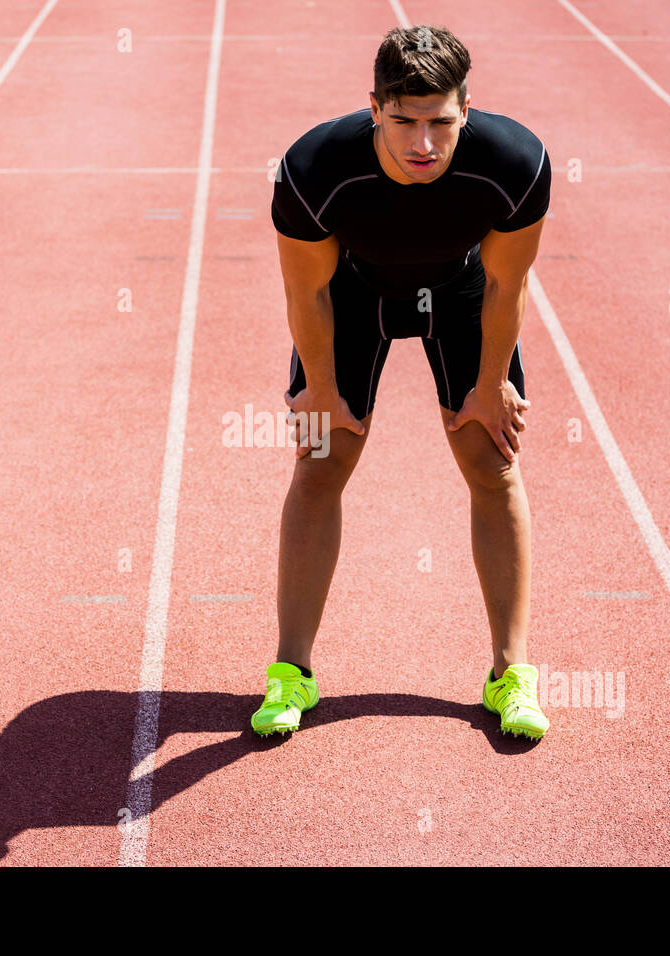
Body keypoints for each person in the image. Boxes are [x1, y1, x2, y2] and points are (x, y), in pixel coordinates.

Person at [252, 24, 551, 740]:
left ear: (467, 109)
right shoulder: (315, 168)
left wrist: (490, 385)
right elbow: (307, 294)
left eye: (441, 122)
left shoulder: (515, 163)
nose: (424, 144)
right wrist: (320, 391)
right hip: (352, 293)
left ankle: (510, 674)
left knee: (492, 460)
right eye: (405, 122)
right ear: (375, 108)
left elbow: (508, 286)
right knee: (322, 461)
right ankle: (292, 672)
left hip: (461, 290)